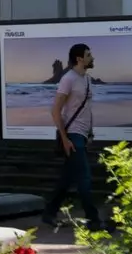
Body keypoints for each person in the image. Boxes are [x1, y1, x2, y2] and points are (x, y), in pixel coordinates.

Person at [42, 43, 108, 231]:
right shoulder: (68, 79)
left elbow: (87, 109)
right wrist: (65, 139)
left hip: (82, 135)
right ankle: (94, 220)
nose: (92, 57)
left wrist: (90, 132)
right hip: (72, 135)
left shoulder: (86, 79)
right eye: (88, 55)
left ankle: (49, 213)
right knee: (84, 178)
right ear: (79, 58)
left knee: (67, 178)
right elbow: (55, 110)